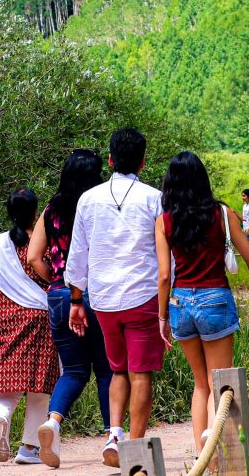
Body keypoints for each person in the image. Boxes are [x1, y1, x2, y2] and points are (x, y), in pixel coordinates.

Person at [156, 152, 249, 461]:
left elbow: (165, 275)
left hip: (180, 302)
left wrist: (162, 316)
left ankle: (201, 454)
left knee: (200, 384)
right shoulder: (221, 214)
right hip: (214, 298)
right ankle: (216, 447)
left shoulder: (164, 221)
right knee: (219, 381)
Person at [65, 127, 164, 469]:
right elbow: (165, 255)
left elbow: (78, 254)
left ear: (109, 159)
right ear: (143, 162)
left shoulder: (88, 199)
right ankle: (135, 448)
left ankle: (115, 435)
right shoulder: (154, 198)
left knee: (117, 369)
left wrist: (76, 300)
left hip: (102, 299)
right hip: (143, 295)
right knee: (141, 374)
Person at [27, 150, 110, 470]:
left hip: (60, 295)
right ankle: (111, 437)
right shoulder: (99, 206)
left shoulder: (51, 210)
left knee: (74, 370)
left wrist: (55, 282)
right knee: (106, 369)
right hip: (97, 293)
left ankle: (53, 422)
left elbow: (35, 256)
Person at [0, 188, 57, 464]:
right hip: (37, 318)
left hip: (1, 318)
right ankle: (28, 449)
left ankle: (2, 417)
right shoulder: (40, 242)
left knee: (9, 383)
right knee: (39, 384)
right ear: (35, 212)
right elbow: (53, 277)